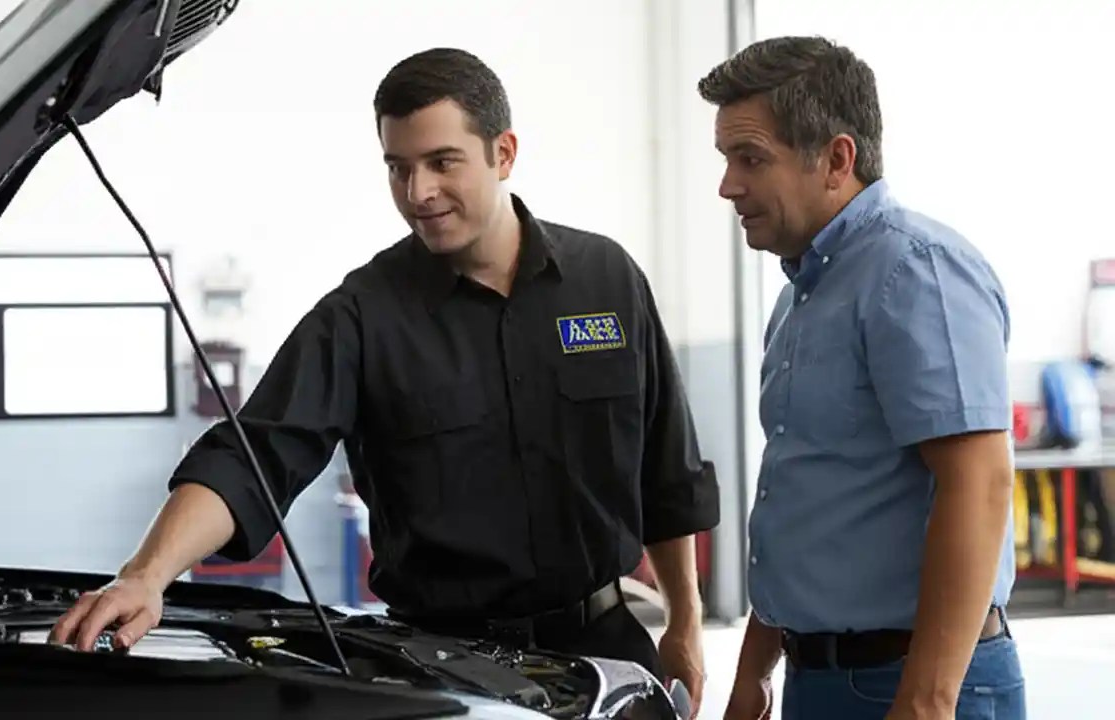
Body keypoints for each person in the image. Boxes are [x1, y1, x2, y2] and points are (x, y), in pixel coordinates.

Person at [50, 47, 720, 710]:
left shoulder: (607, 280)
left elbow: (668, 475)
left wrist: (686, 625)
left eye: (441, 163)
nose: (417, 192)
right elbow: (254, 455)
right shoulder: (363, 316)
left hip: (605, 652)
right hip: (445, 669)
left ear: (503, 153)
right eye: (397, 168)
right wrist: (145, 575)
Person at [696, 35, 1025, 720]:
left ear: (837, 159)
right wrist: (757, 666)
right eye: (727, 159)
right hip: (822, 677)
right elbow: (813, 497)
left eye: (751, 159)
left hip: (910, 681)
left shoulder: (914, 271)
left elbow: (980, 484)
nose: (728, 185)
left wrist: (926, 702)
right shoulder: (802, 296)